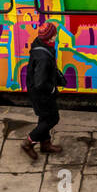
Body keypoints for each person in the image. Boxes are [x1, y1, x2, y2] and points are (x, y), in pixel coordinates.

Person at [22, 21, 65, 158]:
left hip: (37, 91)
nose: (56, 36)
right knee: (52, 118)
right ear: (50, 37)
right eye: (54, 34)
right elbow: (40, 82)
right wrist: (52, 89)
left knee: (44, 117)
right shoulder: (43, 58)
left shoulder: (40, 44)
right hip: (42, 93)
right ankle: (29, 142)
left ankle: (45, 145)